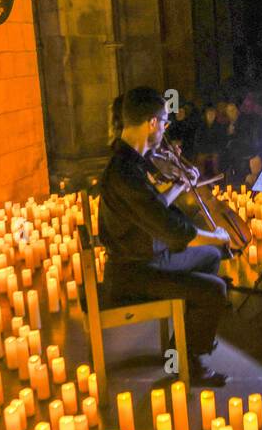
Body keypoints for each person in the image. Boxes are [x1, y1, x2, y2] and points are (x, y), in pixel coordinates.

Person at [98, 87, 231, 386]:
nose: (166, 129)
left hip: (144, 253)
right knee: (214, 289)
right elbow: (174, 231)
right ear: (152, 123)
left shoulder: (129, 162)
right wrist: (217, 237)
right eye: (165, 122)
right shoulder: (125, 173)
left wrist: (179, 187)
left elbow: (150, 209)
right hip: (134, 270)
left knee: (209, 258)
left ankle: (182, 345)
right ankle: (189, 364)